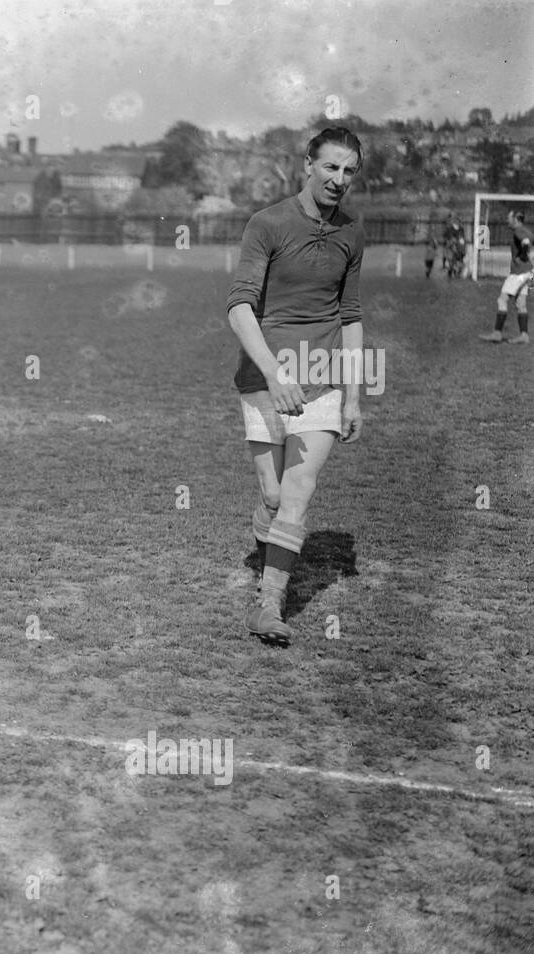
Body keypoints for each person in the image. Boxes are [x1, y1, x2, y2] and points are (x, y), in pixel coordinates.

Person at [227, 126, 365, 647]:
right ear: (307, 164)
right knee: (273, 493)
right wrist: (273, 373)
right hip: (264, 373)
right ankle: (268, 540)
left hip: (323, 379)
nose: (339, 179)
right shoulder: (267, 224)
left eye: (349, 170)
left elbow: (350, 316)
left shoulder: (353, 233)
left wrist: (354, 394)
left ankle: (269, 604)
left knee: (298, 494)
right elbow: (239, 306)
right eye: (330, 167)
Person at [478, 209, 532, 346]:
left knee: (502, 299)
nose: (507, 220)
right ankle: (524, 335)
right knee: (521, 304)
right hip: (528, 272)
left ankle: (497, 333)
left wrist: (524, 252)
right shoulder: (527, 230)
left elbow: (525, 241)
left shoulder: (518, 231)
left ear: (516, 220)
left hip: (518, 273)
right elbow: (529, 239)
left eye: (509, 218)